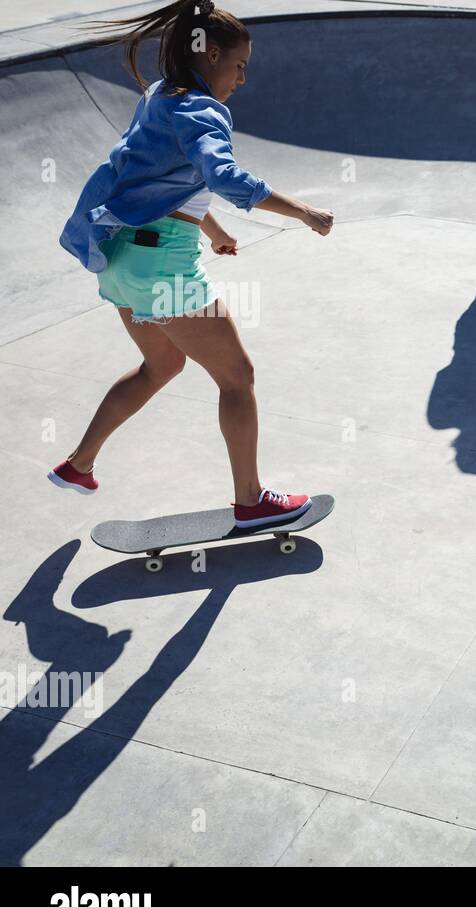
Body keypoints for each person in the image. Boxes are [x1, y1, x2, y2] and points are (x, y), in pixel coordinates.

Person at [51, 0, 333, 527]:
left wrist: (215, 229)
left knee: (162, 365)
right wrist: (303, 211)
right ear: (212, 55)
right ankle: (251, 501)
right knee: (238, 377)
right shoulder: (202, 110)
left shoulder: (159, 96)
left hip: (121, 261)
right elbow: (223, 176)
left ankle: (79, 463)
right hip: (161, 269)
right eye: (240, 66)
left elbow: (158, 177)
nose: (242, 80)